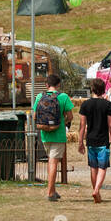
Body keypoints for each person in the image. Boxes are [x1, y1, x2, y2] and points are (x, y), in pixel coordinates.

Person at [32, 74, 74, 202]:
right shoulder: (63, 97)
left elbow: (34, 116)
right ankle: (50, 192)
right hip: (58, 134)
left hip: (44, 134)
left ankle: (53, 190)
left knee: (51, 161)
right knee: (53, 162)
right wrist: (63, 121)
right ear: (58, 85)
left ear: (46, 85)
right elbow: (70, 116)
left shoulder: (40, 96)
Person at [77, 78, 111, 203]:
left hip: (91, 140)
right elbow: (110, 124)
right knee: (102, 167)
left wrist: (80, 142)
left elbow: (82, 125)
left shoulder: (85, 104)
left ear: (92, 89)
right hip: (103, 140)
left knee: (93, 167)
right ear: (103, 90)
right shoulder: (107, 104)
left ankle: (96, 191)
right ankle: (97, 190)